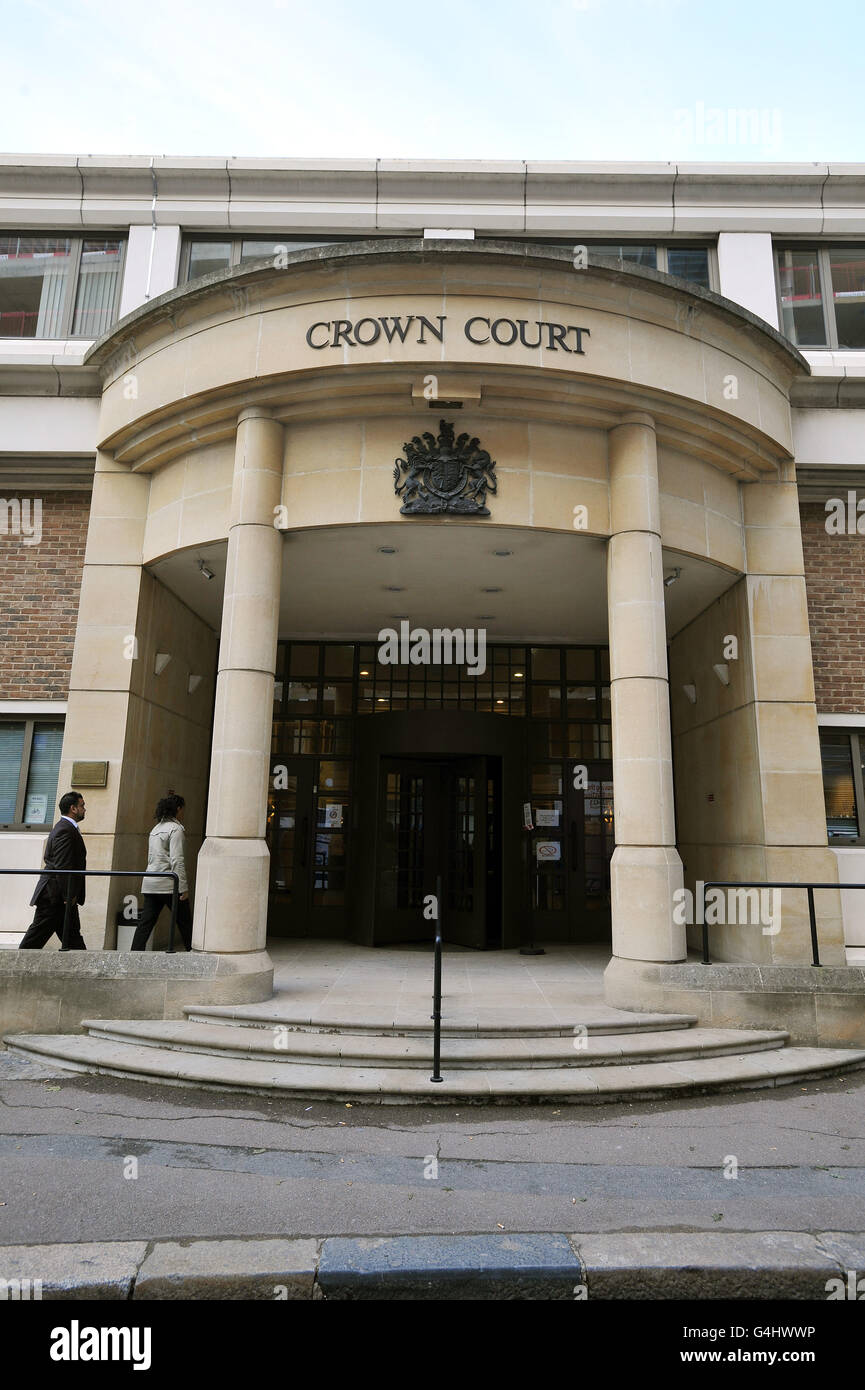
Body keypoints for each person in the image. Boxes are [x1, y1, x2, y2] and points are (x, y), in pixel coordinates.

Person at [19, 791, 88, 949]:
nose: (85, 809)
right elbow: (62, 866)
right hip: (54, 897)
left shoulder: (66, 828)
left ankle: (83, 972)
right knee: (34, 940)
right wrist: (68, 894)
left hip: (59, 897)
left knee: (73, 939)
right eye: (82, 806)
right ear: (73, 808)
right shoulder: (65, 829)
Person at [131, 791, 192, 951]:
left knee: (145, 923)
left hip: (151, 882)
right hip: (169, 884)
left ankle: (134, 954)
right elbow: (177, 859)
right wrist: (183, 887)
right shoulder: (176, 829)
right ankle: (193, 954)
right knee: (185, 922)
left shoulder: (155, 828)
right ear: (178, 809)